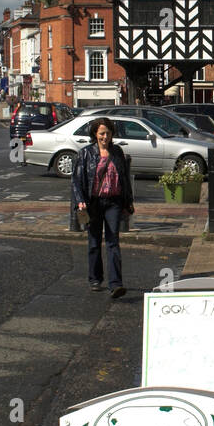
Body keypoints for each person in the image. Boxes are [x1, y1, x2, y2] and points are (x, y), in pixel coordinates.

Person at [72, 116, 135, 296]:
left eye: (107, 133)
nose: (105, 137)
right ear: (95, 134)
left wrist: (128, 202)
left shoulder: (117, 152)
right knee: (93, 242)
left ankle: (115, 283)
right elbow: (77, 180)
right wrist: (80, 200)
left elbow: (124, 178)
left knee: (113, 241)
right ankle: (95, 278)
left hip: (113, 202)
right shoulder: (86, 154)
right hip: (93, 203)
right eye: (101, 133)